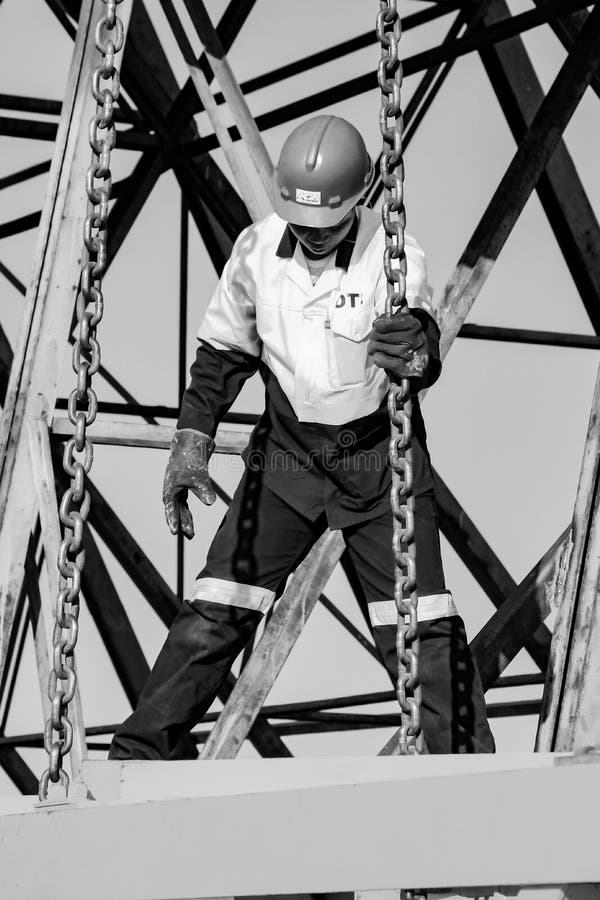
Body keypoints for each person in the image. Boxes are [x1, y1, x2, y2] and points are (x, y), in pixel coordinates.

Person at [109, 115, 495, 760]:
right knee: (216, 607)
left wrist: (420, 351)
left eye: (328, 225)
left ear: (360, 199)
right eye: (302, 225)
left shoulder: (393, 254)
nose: (314, 238)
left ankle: (464, 772)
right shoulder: (257, 251)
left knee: (422, 624)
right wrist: (190, 443)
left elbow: (420, 338)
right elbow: (222, 353)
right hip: (286, 458)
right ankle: (139, 757)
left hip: (378, 461)